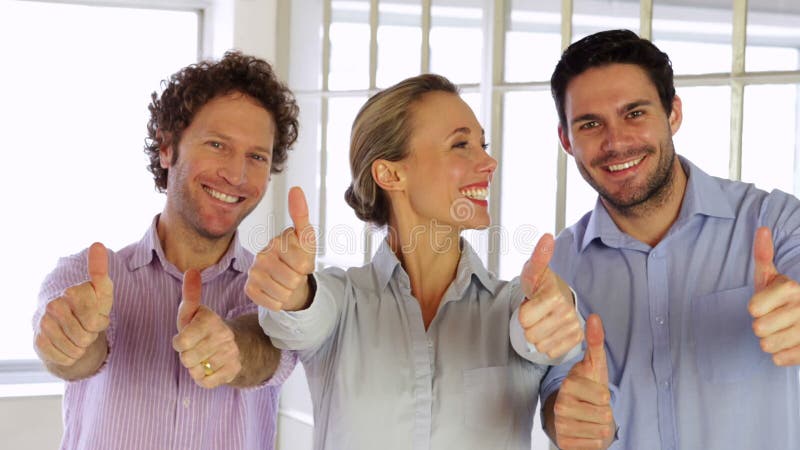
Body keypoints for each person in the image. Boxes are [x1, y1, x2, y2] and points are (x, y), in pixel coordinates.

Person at [246, 73, 610, 450]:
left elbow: (540, 330)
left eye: (482, 144)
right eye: (461, 144)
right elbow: (303, 315)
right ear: (391, 173)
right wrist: (288, 289)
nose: (488, 161)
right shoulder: (341, 303)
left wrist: (557, 308)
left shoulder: (512, 306)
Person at [540, 29, 800, 450]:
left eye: (635, 113)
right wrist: (564, 417)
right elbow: (555, 388)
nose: (616, 142)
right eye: (590, 123)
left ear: (673, 114)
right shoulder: (558, 268)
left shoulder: (776, 222)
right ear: (567, 140)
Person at [32, 51, 300, 450]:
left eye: (256, 156)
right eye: (217, 144)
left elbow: (264, 350)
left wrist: (229, 347)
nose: (237, 174)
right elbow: (76, 357)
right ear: (166, 148)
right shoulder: (86, 277)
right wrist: (72, 340)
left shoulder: (277, 294)